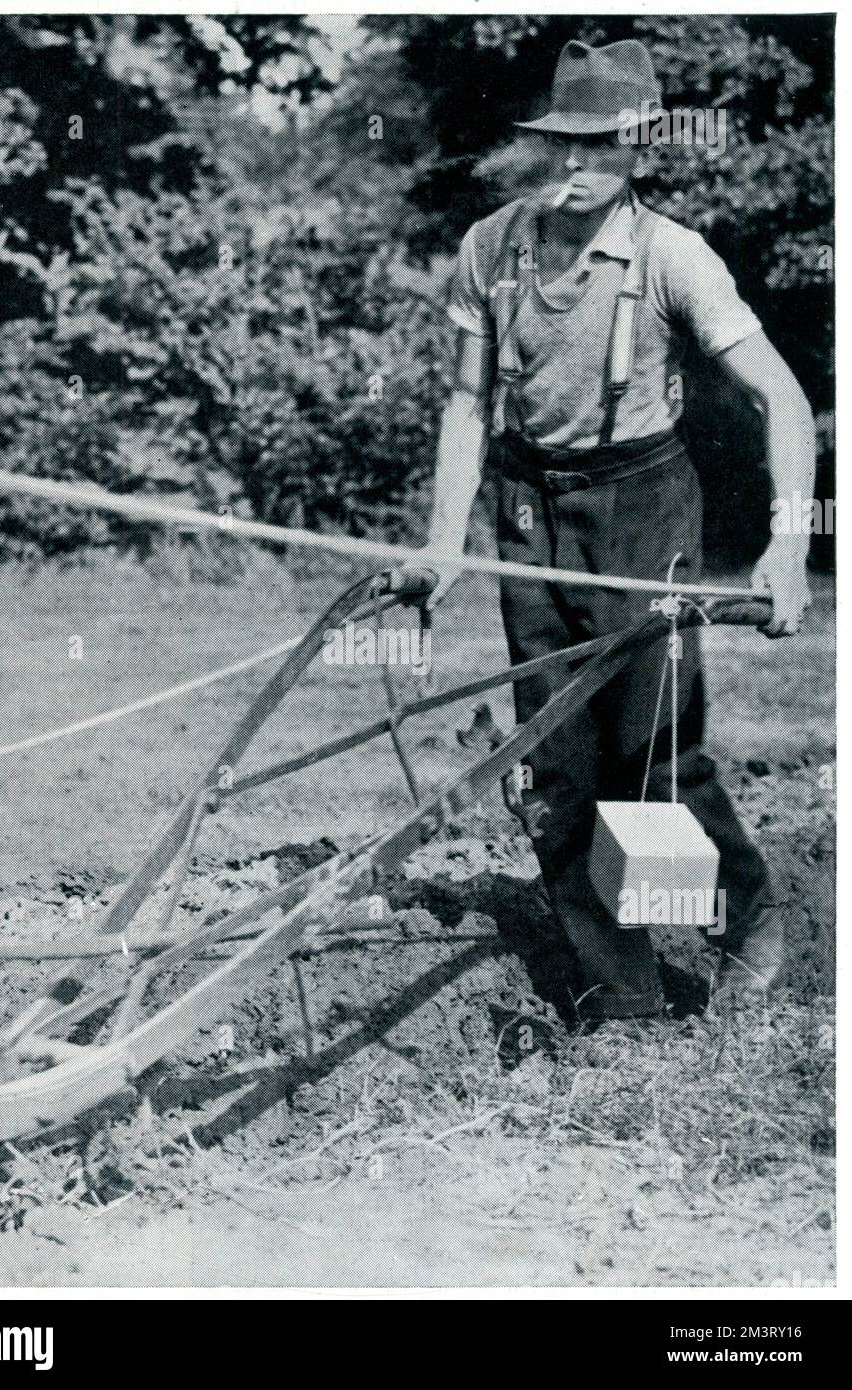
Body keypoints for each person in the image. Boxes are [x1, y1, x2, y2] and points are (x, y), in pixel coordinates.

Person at [411, 39, 814, 1018]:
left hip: (643, 505)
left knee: (654, 758)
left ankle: (744, 916)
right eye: (561, 144)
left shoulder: (672, 256)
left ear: (637, 148)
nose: (573, 166)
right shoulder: (487, 249)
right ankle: (617, 998)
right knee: (556, 764)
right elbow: (467, 407)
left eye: (599, 146)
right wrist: (438, 543)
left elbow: (784, 401)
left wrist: (789, 544)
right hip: (526, 506)